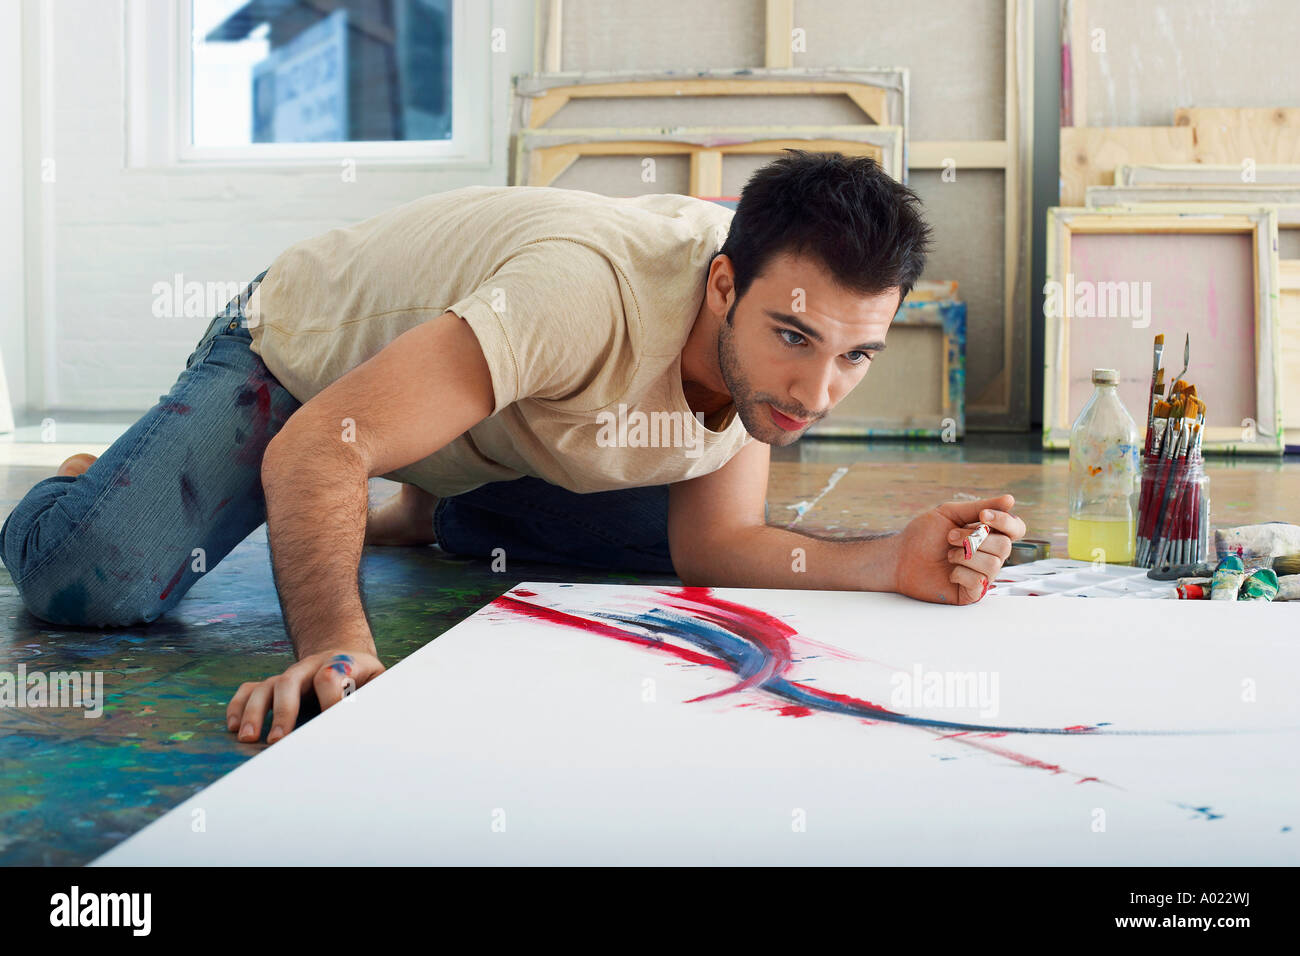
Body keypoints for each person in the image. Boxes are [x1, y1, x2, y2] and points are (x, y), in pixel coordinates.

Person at [0, 150, 1025, 745]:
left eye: (856, 355)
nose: (816, 389)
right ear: (722, 288)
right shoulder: (582, 295)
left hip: (492, 415)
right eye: (793, 341)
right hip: (304, 367)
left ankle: (430, 504)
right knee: (100, 580)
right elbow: (319, 446)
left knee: (652, 542)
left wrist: (885, 557)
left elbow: (717, 544)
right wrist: (333, 646)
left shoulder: (763, 343)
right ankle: (89, 489)